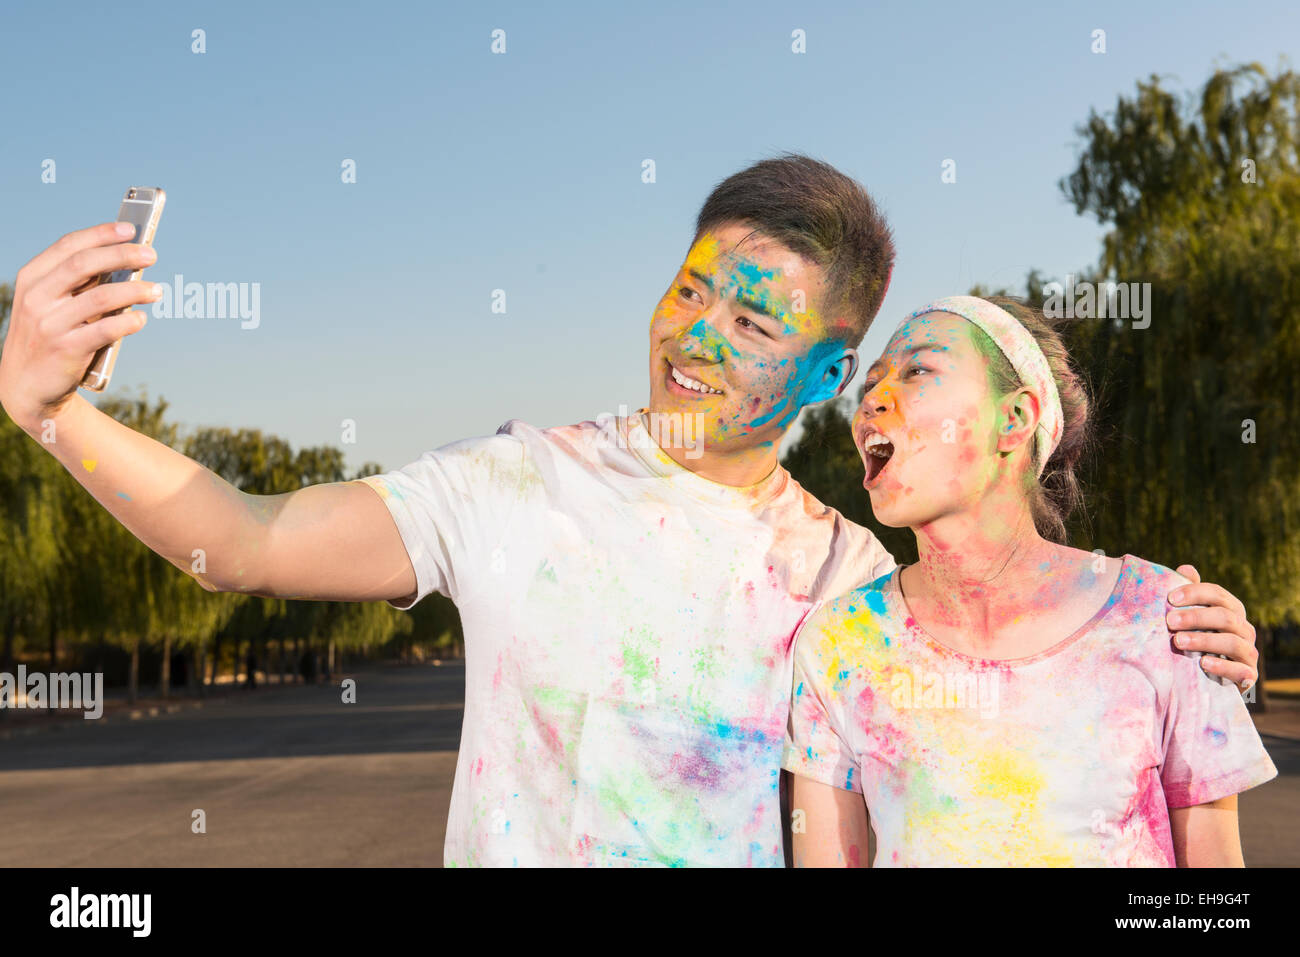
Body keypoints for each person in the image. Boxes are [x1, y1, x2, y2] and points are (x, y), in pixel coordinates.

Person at [0, 157, 1259, 867]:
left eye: (754, 322)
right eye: (689, 289)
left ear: (826, 376)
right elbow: (244, 539)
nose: (695, 338)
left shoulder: (846, 584)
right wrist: (54, 414)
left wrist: (1183, 649)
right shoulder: (517, 486)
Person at [783, 295, 1277, 867]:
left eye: (918, 370)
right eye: (870, 384)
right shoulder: (840, 645)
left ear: (1014, 420)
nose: (872, 399)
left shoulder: (1163, 619)